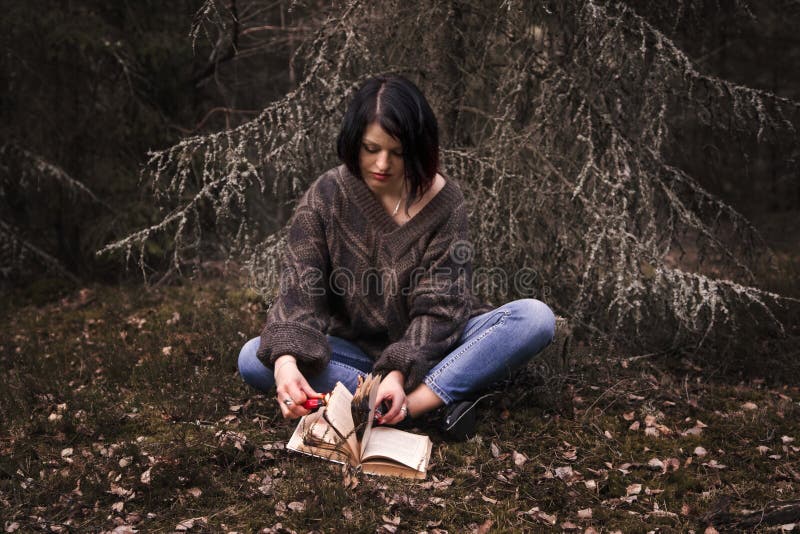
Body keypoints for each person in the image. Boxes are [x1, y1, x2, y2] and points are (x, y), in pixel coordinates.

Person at [238, 75, 555, 439]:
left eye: (397, 151)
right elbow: (299, 291)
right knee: (255, 358)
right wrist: (286, 364)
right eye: (371, 148)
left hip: (441, 346)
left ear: (417, 148)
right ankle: (438, 396)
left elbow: (441, 309)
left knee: (534, 318)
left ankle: (409, 407)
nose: (383, 163)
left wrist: (401, 371)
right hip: (362, 355)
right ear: (354, 142)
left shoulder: (445, 202)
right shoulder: (326, 196)